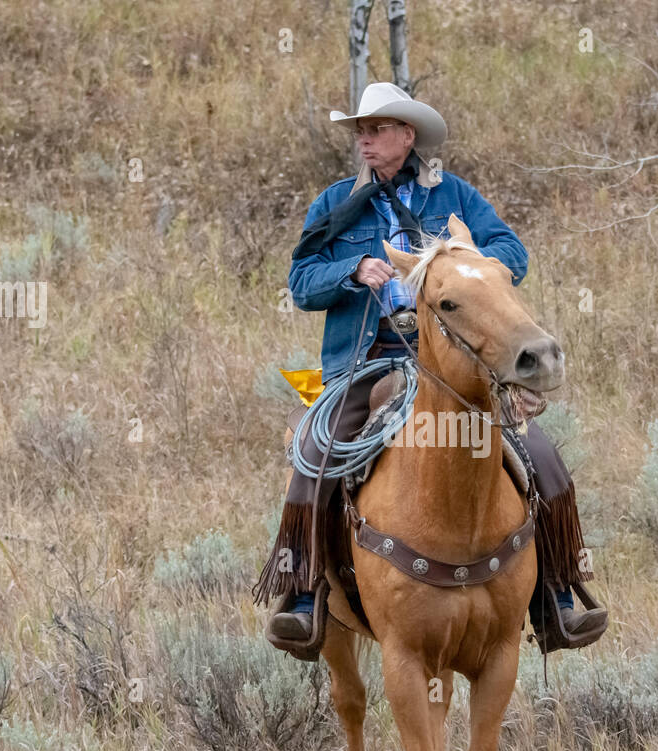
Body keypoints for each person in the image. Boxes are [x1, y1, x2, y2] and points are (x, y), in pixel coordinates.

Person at [253, 82, 606, 657]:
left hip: (454, 362)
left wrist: (454, 264)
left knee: (539, 455)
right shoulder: (334, 204)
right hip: (368, 360)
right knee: (316, 451)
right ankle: (304, 592)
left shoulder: (456, 196)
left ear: (407, 135)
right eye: (360, 131)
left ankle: (556, 593)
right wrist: (353, 268)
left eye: (376, 129)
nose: (364, 140)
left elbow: (511, 255)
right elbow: (301, 283)